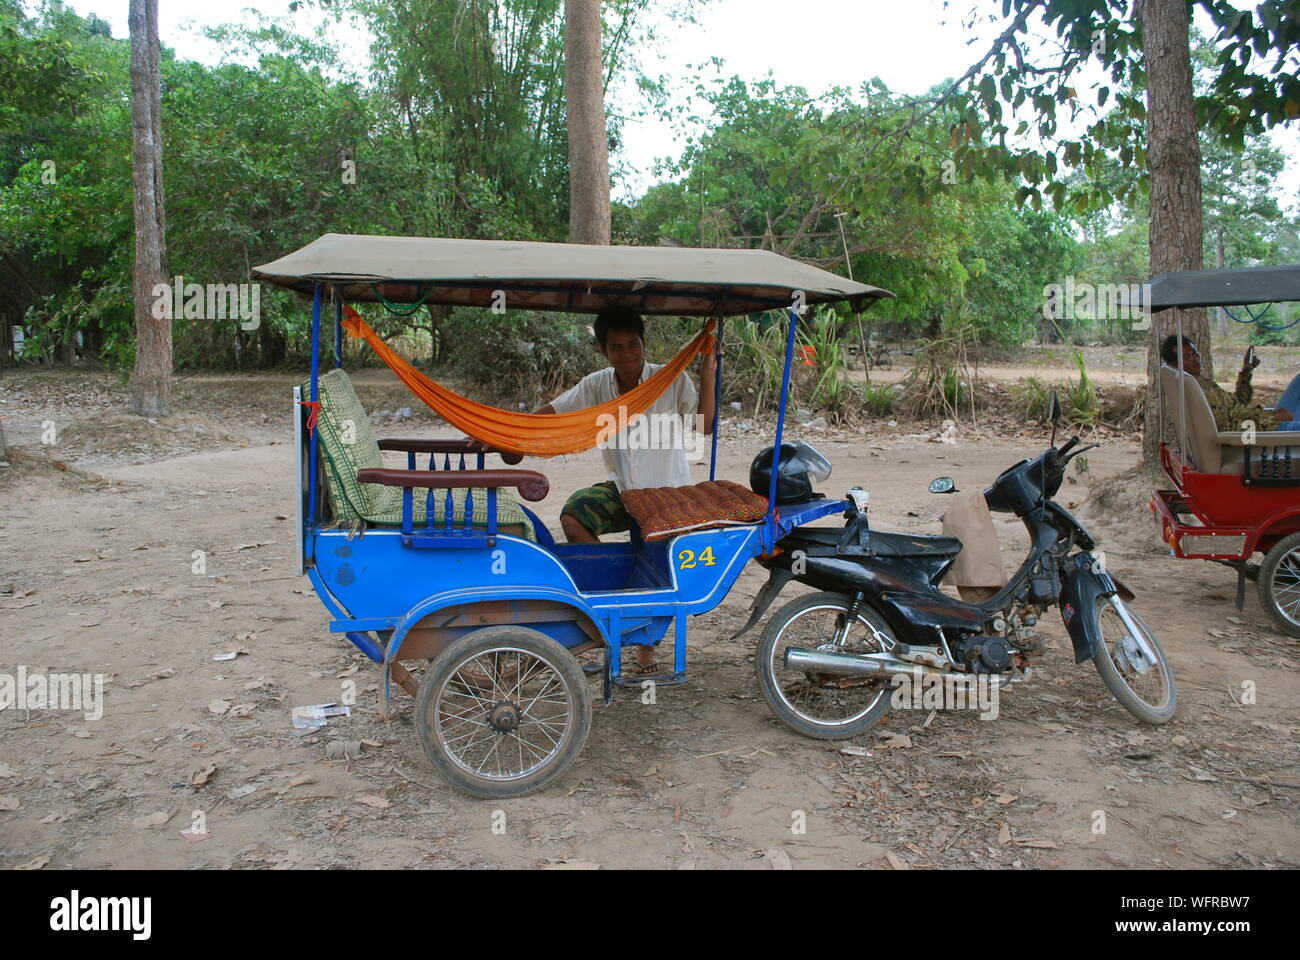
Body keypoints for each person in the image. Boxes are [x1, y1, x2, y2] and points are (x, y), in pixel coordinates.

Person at [1160, 335, 1299, 431]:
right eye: (1186, 357)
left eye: (1195, 353)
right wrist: (1272, 417)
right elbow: (1228, 428)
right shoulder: (1195, 390)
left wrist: (1246, 372)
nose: (1195, 359)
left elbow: (1236, 404)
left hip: (1261, 422)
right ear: (1174, 364)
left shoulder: (1198, 382)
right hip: (1263, 430)